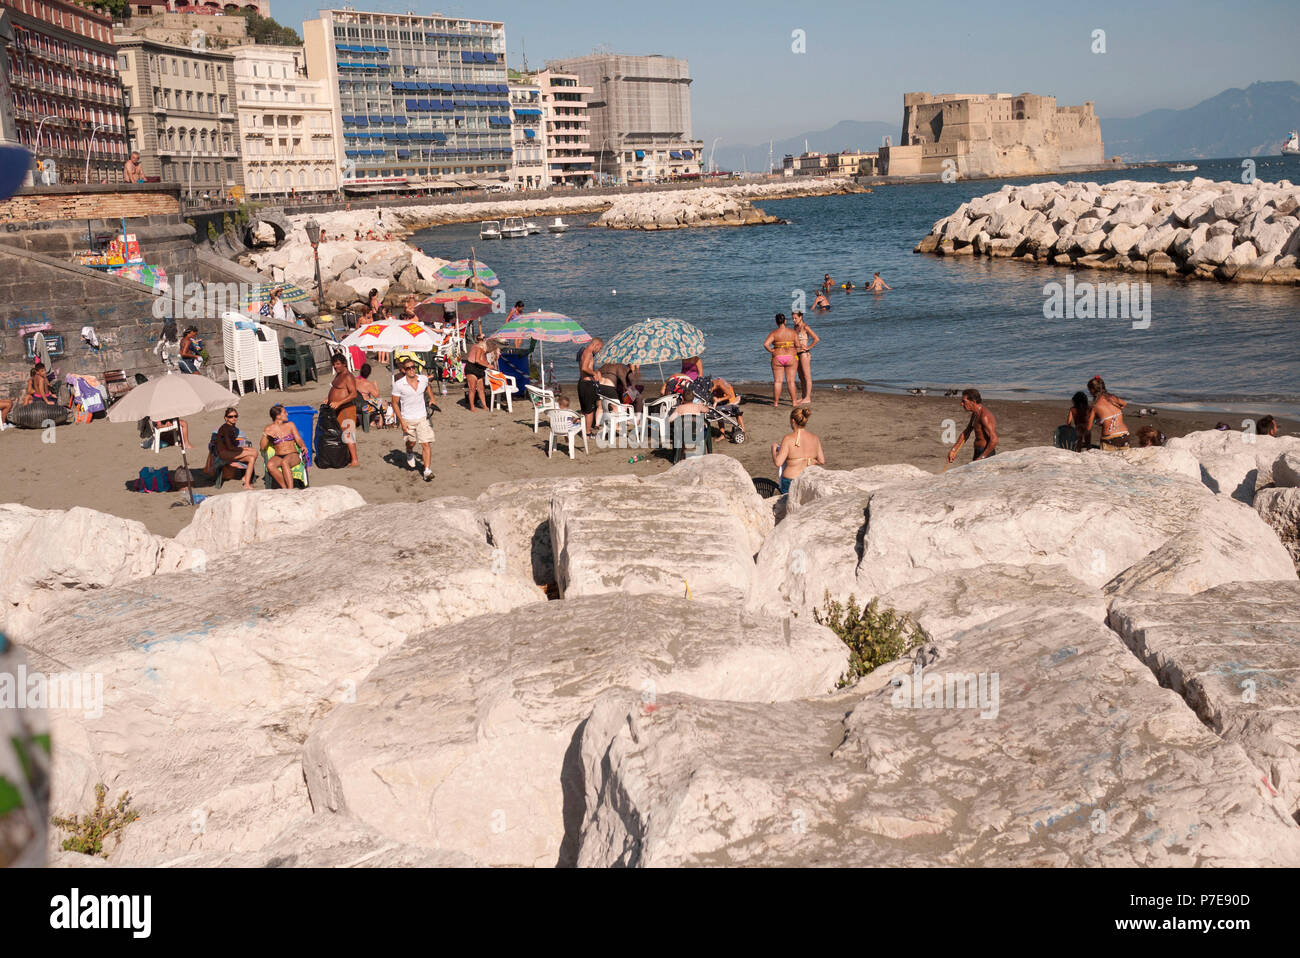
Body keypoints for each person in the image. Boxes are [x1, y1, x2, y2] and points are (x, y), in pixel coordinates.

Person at [391, 358, 438, 480]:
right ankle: (409, 451)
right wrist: (401, 421)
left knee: (425, 444)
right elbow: (395, 403)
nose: (411, 369)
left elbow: (427, 387)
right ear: (404, 370)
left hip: (422, 417)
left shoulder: (422, 379)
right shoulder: (399, 384)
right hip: (408, 419)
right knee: (411, 442)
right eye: (408, 368)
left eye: (413, 367)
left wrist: (432, 398)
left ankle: (427, 470)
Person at [772, 406, 825, 495]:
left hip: (791, 480)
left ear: (793, 421)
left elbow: (778, 462)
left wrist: (773, 450)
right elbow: (822, 461)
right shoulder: (815, 438)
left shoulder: (788, 439)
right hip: (808, 479)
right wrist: (810, 460)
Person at [260, 404, 307, 490]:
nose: (287, 414)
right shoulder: (269, 428)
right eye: (284, 412)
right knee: (270, 465)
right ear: (278, 416)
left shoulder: (290, 425)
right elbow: (262, 447)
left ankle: (290, 489)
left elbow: (298, 439)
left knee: (285, 462)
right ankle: (284, 488)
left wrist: (303, 446)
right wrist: (265, 435)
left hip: (293, 454)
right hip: (278, 455)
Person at [948, 388, 998, 463]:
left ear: (973, 401)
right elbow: (966, 433)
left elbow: (994, 440)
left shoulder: (984, 416)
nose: (961, 404)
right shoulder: (975, 414)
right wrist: (953, 450)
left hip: (986, 453)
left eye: (964, 401)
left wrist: (982, 457)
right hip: (978, 451)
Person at [326, 353, 359, 466]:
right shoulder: (338, 375)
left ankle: (355, 460)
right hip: (337, 408)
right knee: (340, 433)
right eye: (334, 364)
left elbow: (354, 394)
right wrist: (328, 398)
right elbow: (336, 389)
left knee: (348, 433)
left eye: (338, 364)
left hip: (346, 408)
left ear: (344, 364)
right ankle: (347, 457)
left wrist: (339, 402)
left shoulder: (348, 376)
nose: (335, 366)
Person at [215, 407, 257, 490]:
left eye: (235, 416)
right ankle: (244, 476)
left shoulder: (231, 427)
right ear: (225, 418)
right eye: (230, 416)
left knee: (251, 458)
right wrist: (244, 449)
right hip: (224, 453)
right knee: (254, 452)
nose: (234, 418)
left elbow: (232, 445)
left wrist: (243, 448)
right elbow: (230, 447)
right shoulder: (226, 428)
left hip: (229, 451)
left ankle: (246, 482)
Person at [763, 313, 799, 407]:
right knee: (791, 381)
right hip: (791, 357)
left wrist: (771, 350)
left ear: (776, 322)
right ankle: (794, 402)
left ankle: (775, 403)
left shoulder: (774, 333)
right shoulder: (792, 332)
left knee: (778, 381)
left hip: (777, 357)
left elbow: (766, 344)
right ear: (785, 321)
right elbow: (798, 346)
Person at [1085, 376, 1130, 451]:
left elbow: (1088, 429)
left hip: (1109, 438)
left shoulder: (1094, 406)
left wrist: (1088, 445)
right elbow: (1124, 404)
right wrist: (1118, 410)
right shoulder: (1112, 398)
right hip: (1124, 435)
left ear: (1092, 390)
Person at [576, 337, 604, 435]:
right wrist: (594, 374)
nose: (599, 350)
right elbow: (584, 368)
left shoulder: (583, 351)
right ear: (595, 345)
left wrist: (593, 372)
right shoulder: (588, 353)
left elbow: (583, 367)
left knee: (584, 410)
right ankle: (587, 432)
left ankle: (579, 427)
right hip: (587, 385)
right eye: (599, 348)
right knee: (589, 410)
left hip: (581, 383)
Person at [792, 311, 820, 405]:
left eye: (795, 318)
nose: (794, 320)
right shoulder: (795, 328)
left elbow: (816, 338)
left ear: (801, 317)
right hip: (797, 354)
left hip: (804, 354)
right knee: (800, 376)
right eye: (793, 318)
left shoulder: (805, 327)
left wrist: (809, 347)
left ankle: (808, 397)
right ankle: (804, 396)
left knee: (807, 376)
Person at [464, 336, 493, 412]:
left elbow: (484, 359)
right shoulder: (479, 348)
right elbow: (477, 360)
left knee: (481, 389)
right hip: (472, 368)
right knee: (472, 389)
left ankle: (484, 405)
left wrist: (488, 364)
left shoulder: (482, 348)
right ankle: (472, 407)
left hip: (479, 369)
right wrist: (487, 365)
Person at [355, 362, 384, 427]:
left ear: (360, 371)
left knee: (371, 401)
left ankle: (371, 421)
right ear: (369, 373)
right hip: (364, 408)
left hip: (354, 405)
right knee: (382, 403)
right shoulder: (368, 384)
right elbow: (377, 396)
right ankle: (380, 423)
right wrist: (376, 386)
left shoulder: (354, 380)